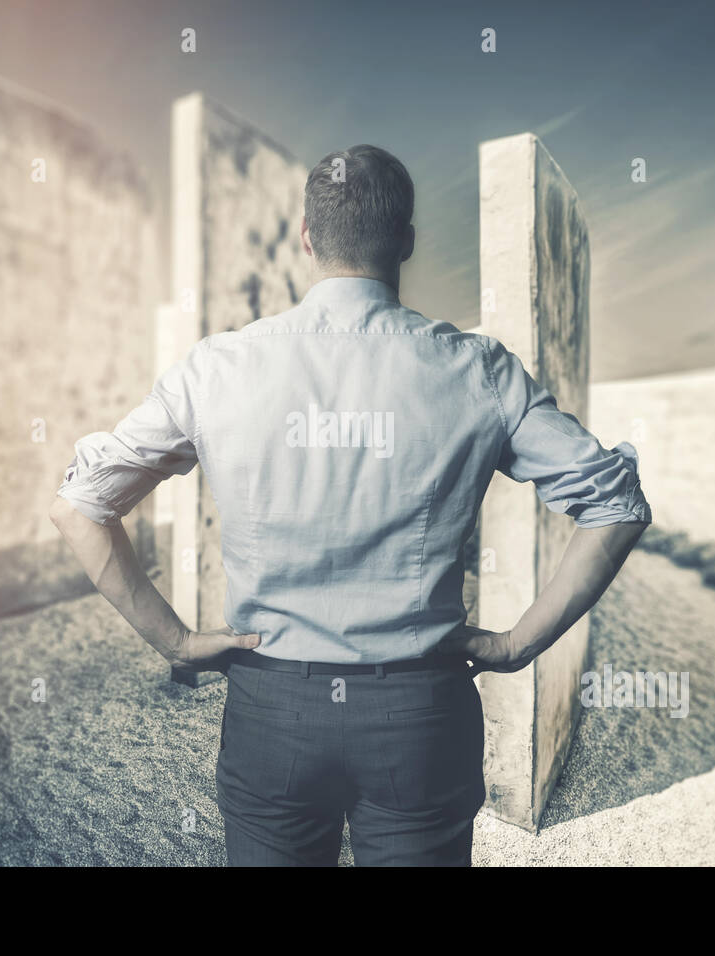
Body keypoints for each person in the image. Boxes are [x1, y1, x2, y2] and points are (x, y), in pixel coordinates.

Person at [49, 144, 651, 866]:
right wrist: (518, 644)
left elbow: (80, 506)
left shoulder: (218, 369)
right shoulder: (478, 370)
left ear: (307, 238)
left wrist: (176, 642)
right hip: (420, 715)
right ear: (406, 240)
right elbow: (616, 503)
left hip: (273, 714)